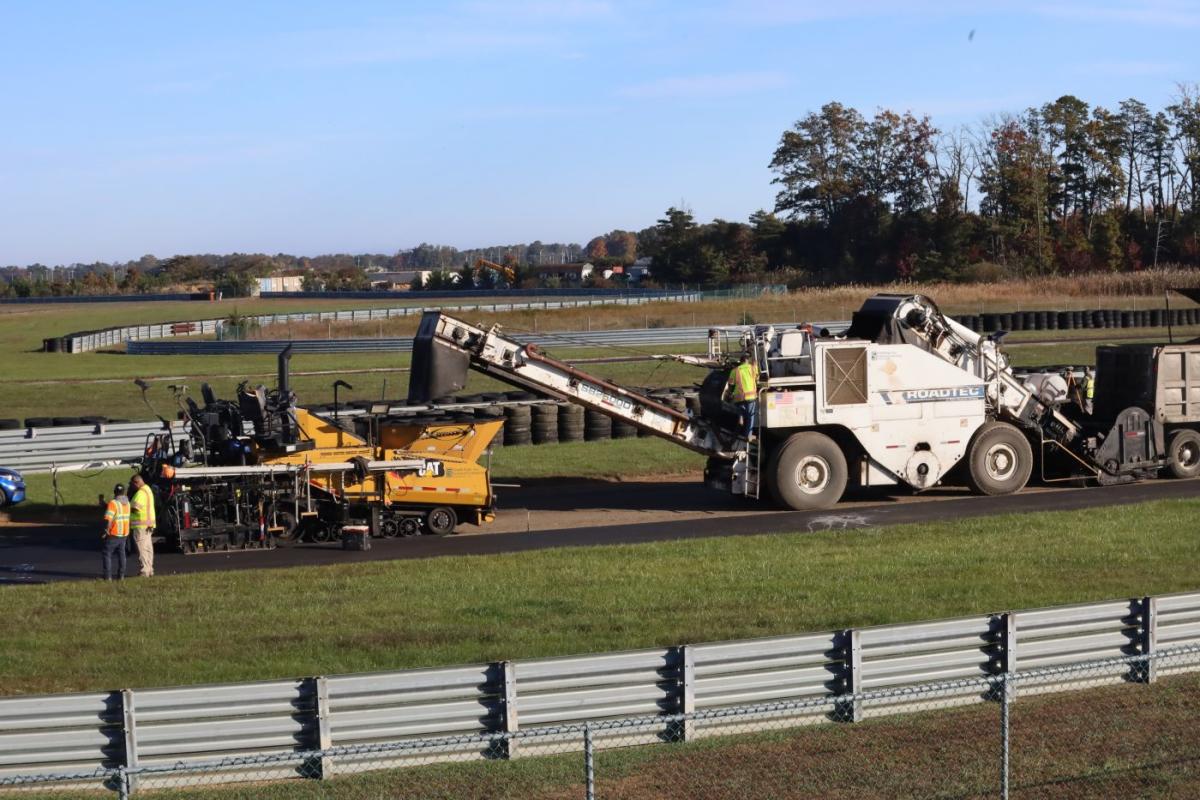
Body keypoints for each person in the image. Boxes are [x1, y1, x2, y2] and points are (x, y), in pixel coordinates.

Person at [724, 352, 759, 441]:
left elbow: (731, 384)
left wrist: (730, 394)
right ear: (747, 360)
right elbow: (757, 377)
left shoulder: (735, 370)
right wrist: (755, 363)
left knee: (742, 412)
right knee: (751, 416)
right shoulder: (752, 368)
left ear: (741, 361)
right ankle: (748, 435)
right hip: (750, 397)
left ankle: (740, 419)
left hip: (738, 397)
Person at [101, 484, 131, 581]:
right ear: (124, 492)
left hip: (114, 533)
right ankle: (121, 576)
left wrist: (106, 531)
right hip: (124, 533)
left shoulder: (113, 503)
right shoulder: (127, 503)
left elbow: (109, 519)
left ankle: (107, 577)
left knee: (107, 553)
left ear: (115, 492)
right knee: (122, 554)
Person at [129, 474, 156, 577]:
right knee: (148, 548)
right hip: (149, 524)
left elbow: (136, 508)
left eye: (132, 485)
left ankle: (144, 570)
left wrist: (127, 509)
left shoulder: (140, 493)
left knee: (142, 548)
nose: (132, 487)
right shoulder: (147, 489)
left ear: (137, 482)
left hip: (141, 525)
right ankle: (150, 569)